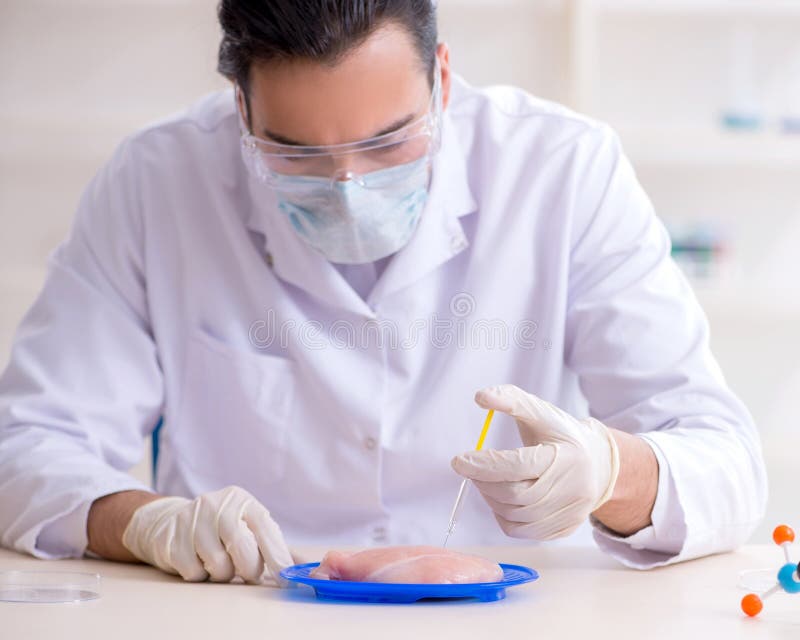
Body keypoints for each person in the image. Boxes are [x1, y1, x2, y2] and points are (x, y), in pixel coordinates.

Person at [0, 0, 766, 586]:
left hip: (516, 614)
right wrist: (145, 523)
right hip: (244, 609)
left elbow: (727, 465)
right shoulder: (157, 181)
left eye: (388, 142)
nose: (350, 186)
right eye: (296, 152)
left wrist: (608, 472)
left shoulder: (564, 171)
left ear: (440, 78)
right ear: (242, 110)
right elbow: (28, 447)